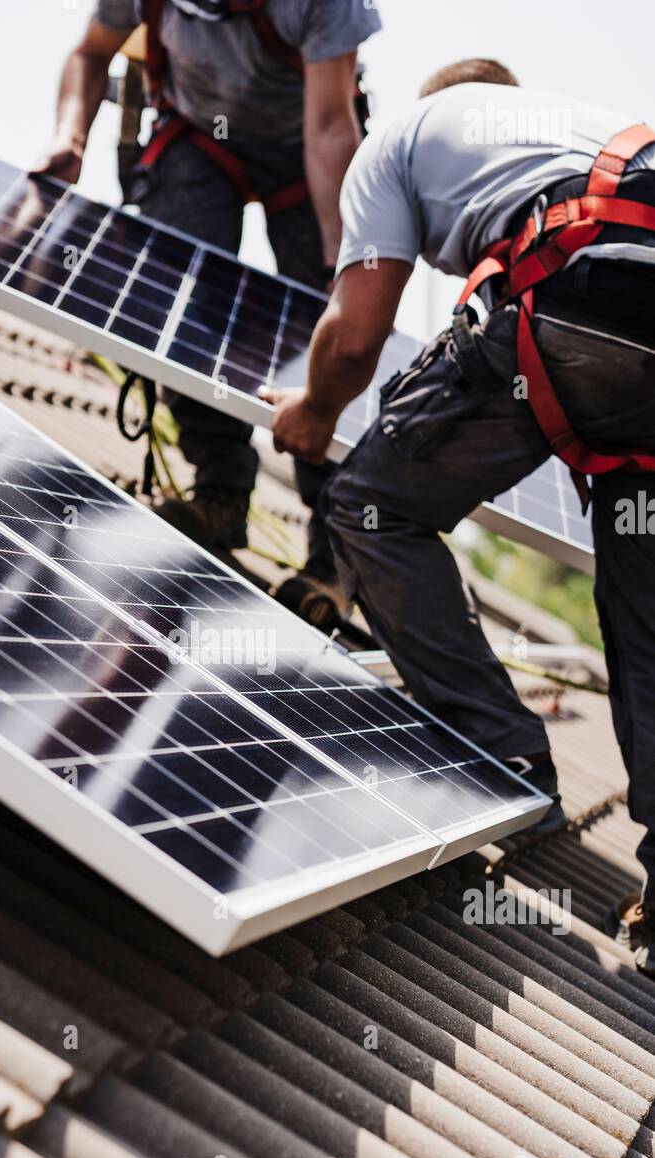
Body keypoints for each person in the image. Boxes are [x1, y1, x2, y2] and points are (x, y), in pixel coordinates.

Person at [262, 59, 655, 973]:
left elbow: (357, 333)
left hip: (572, 292)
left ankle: (507, 756)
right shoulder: (567, 120)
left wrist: (314, 412)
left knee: (371, 505)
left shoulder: (396, 141)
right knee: (645, 616)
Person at [34, 0, 381, 596]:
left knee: (320, 331)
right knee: (183, 299)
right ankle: (220, 492)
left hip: (305, 144)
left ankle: (333, 554)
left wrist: (337, 264)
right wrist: (70, 138)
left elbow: (329, 127)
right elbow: (92, 52)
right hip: (198, 136)